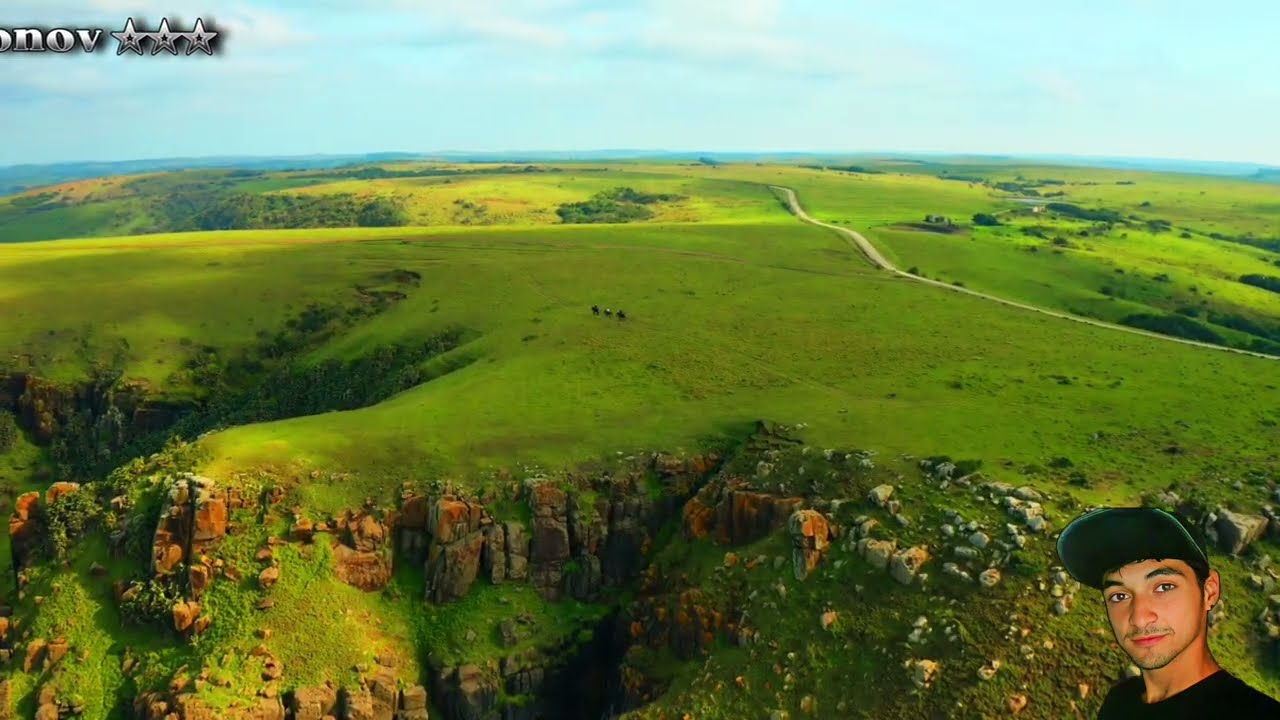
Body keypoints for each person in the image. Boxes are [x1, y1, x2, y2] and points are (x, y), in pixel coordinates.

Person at [1057, 506, 1280, 717]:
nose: (1139, 618)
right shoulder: (1119, 703)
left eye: (1164, 587)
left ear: (1209, 592)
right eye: (1119, 596)